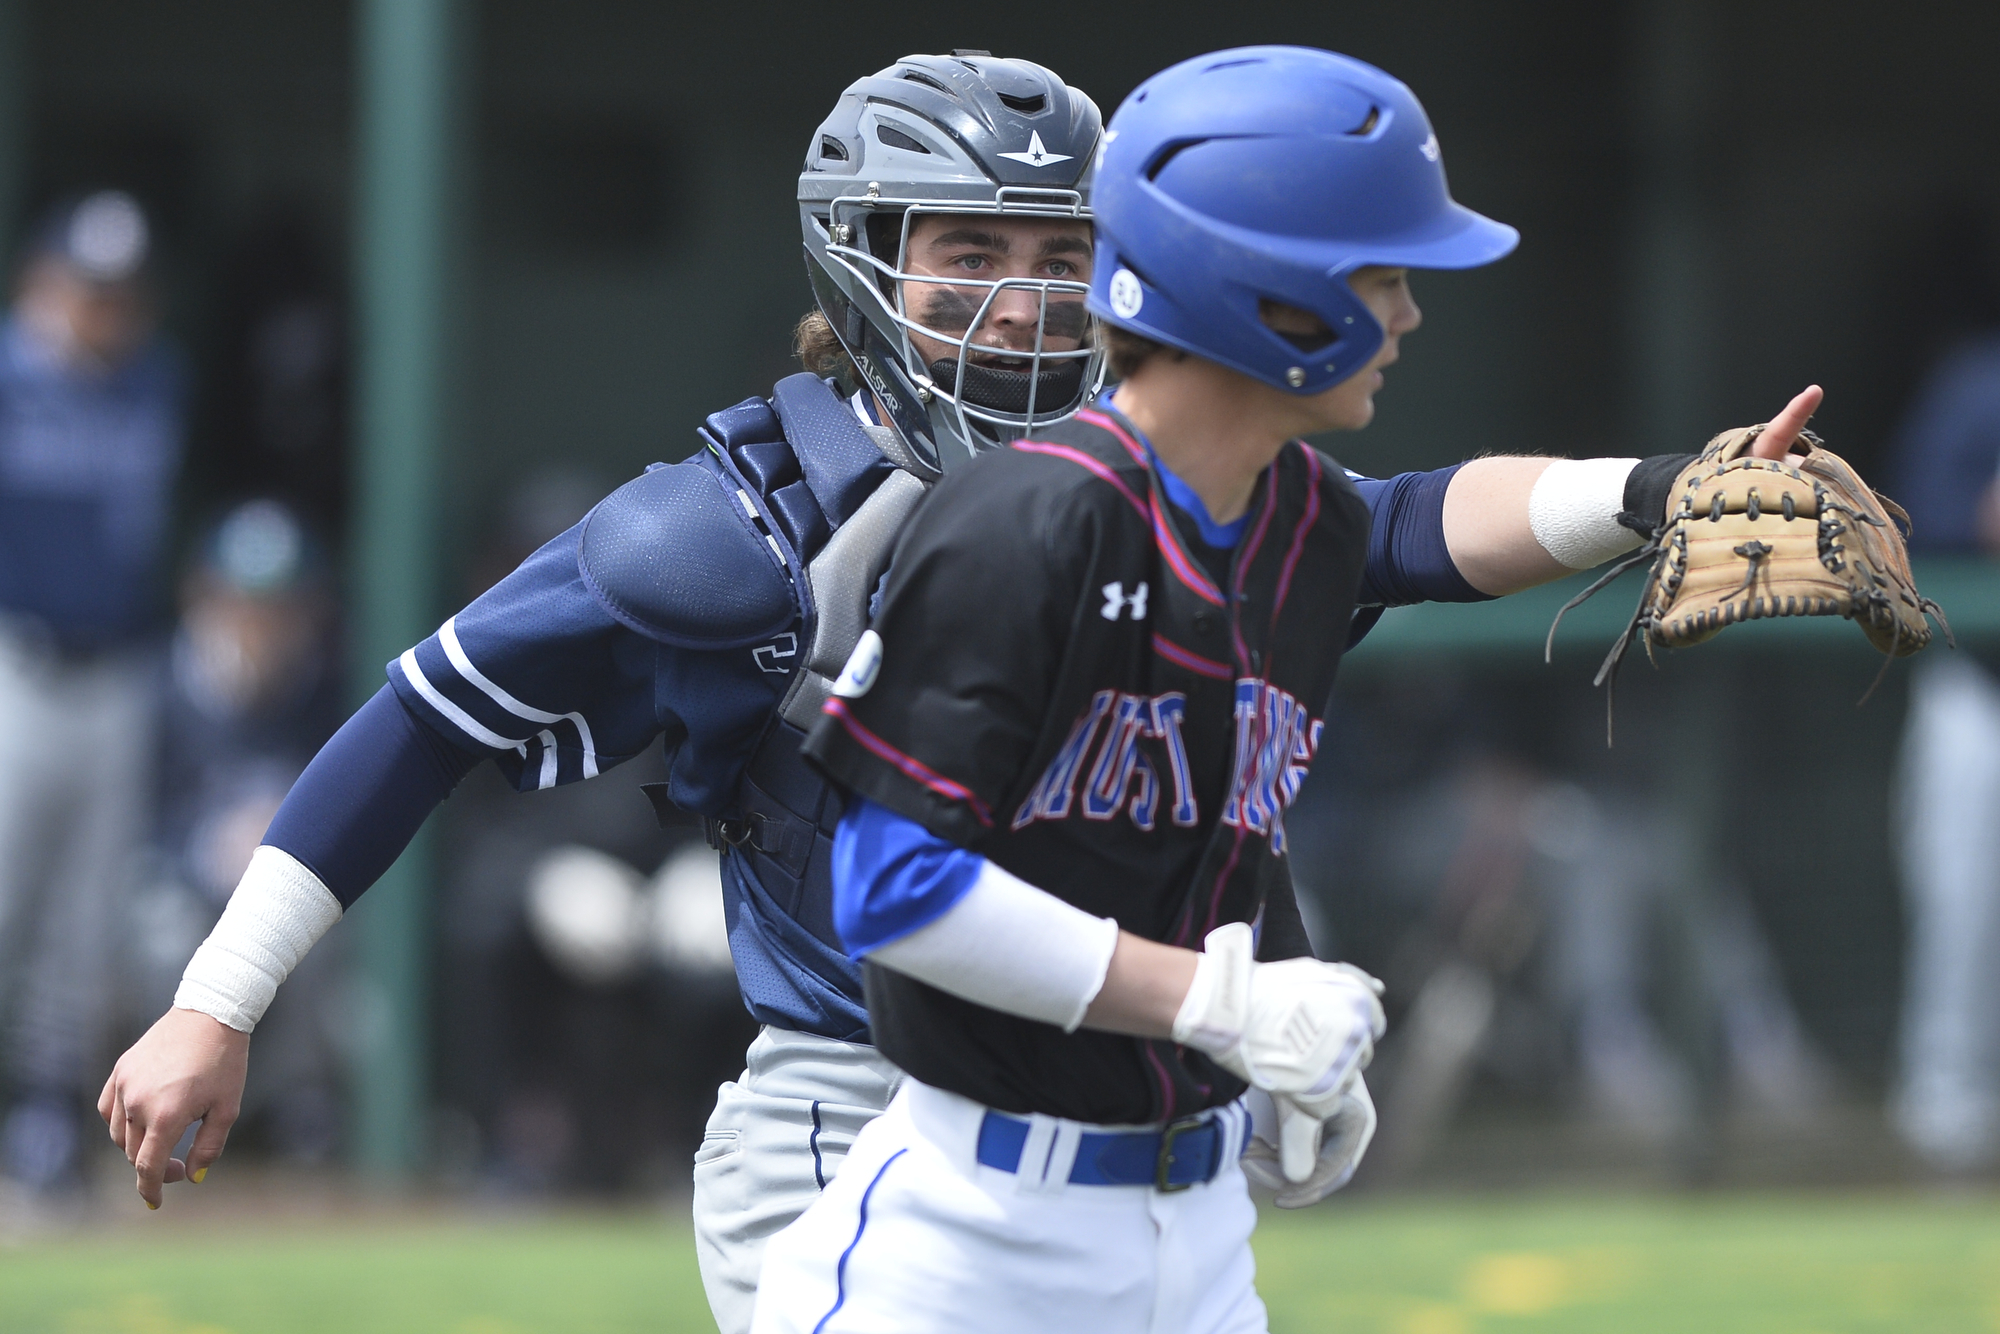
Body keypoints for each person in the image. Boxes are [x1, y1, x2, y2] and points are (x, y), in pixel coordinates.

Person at [758, 46, 1826, 1333]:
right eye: (1377, 276)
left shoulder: (1297, 521)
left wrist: (1278, 1028)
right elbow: (891, 888)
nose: (1407, 314)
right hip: (968, 1243)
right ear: (1253, 288)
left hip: (1195, 1243)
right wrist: (1220, 1004)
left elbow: (1229, 813)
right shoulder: (1024, 520)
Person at [100, 52, 1108, 1332]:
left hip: (1100, 1123)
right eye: (969, 255)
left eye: (1055, 253)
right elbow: (422, 716)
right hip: (856, 1110)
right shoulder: (732, 533)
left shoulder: (1168, 490)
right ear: (863, 259)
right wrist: (217, 1000)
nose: (1020, 302)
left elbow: (1404, 531)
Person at [0, 191, 184, 1195]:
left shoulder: (155, 380)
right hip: (18, 664)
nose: (109, 309)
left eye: (124, 292)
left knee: (84, 922)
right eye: (90, 288)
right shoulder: (10, 373)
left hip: (115, 668)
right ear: (45, 281)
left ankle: (42, 1128)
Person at [1888, 330, 2000, 1173]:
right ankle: (1945, 1113)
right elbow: (1906, 516)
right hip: (1977, 690)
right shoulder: (1975, 384)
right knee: (1961, 904)